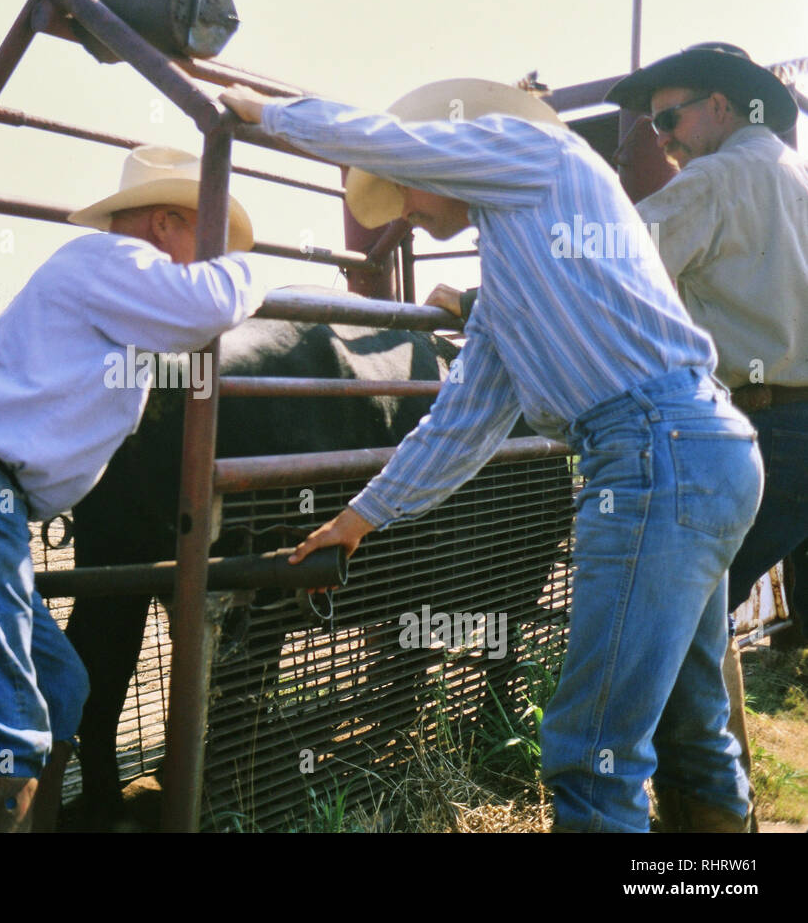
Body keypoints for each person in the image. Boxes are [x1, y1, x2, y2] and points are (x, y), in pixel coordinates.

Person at [221, 77, 762, 833]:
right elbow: (459, 425)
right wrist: (358, 519)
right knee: (691, 724)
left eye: (404, 191)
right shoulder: (511, 285)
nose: (403, 212)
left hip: (651, 454)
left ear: (452, 153)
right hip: (696, 451)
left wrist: (266, 115)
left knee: (591, 748)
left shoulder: (533, 151)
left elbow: (396, 142)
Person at [0, 146, 266, 831]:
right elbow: (211, 304)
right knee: (11, 723)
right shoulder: (115, 260)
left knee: (60, 684)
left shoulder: (108, 283)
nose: (205, 255)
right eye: (204, 237)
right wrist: (250, 270)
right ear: (168, 221)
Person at [607, 43, 808, 627]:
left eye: (668, 119)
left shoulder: (714, 179)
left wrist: (474, 302)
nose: (661, 138)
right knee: (701, 615)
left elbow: (602, 263)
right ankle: (706, 720)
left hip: (761, 431)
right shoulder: (797, 174)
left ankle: (666, 721)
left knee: (671, 618)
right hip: (795, 431)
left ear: (720, 105)